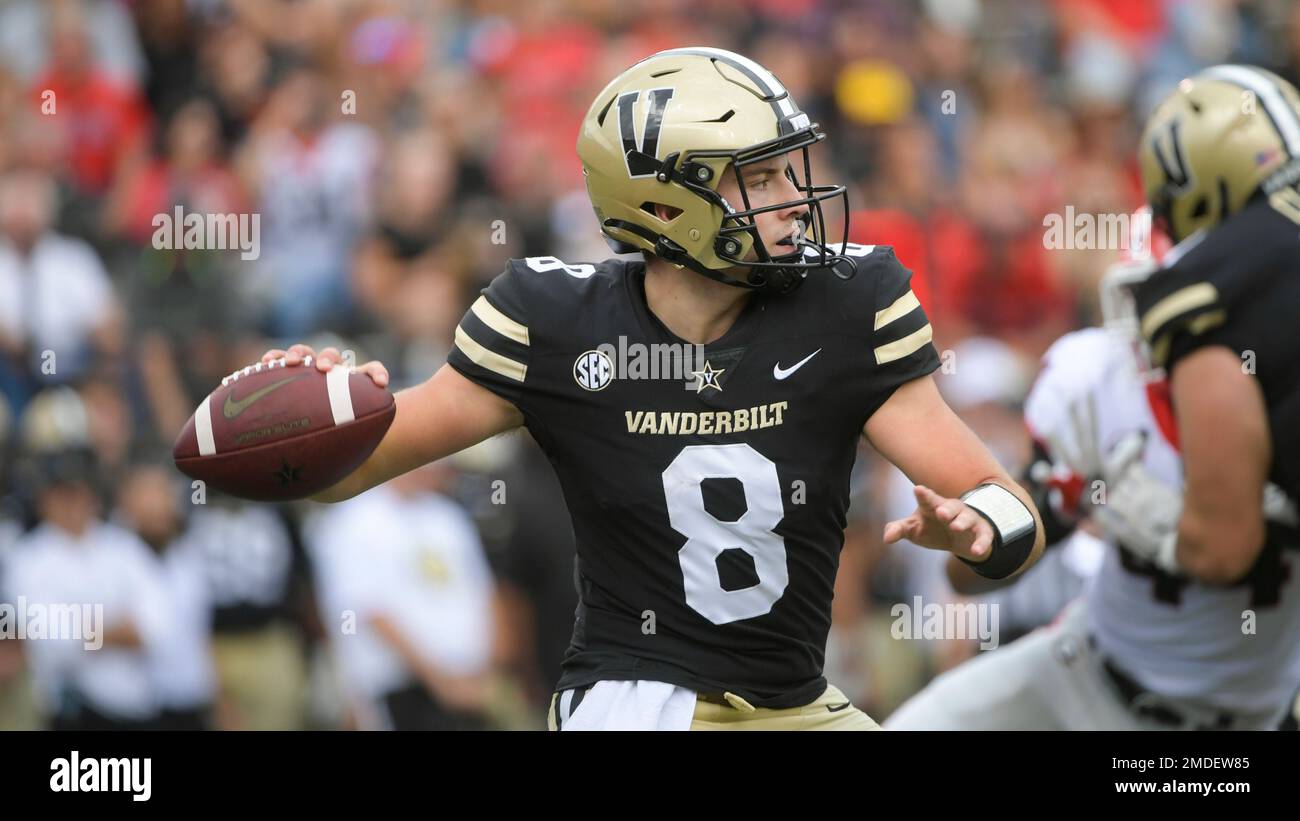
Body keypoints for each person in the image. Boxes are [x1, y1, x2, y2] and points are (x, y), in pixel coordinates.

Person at [261, 48, 1045, 730]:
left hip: (790, 700)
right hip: (636, 699)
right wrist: (308, 414)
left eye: (786, 170)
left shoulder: (847, 302)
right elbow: (350, 470)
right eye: (760, 178)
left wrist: (979, 525)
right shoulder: (556, 321)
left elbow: (1009, 509)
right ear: (667, 206)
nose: (792, 201)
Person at [887, 254, 1300, 730]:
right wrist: (979, 540)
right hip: (1089, 675)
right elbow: (981, 567)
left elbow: (1222, 556)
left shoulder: (1283, 407)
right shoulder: (1102, 386)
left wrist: (1164, 531)